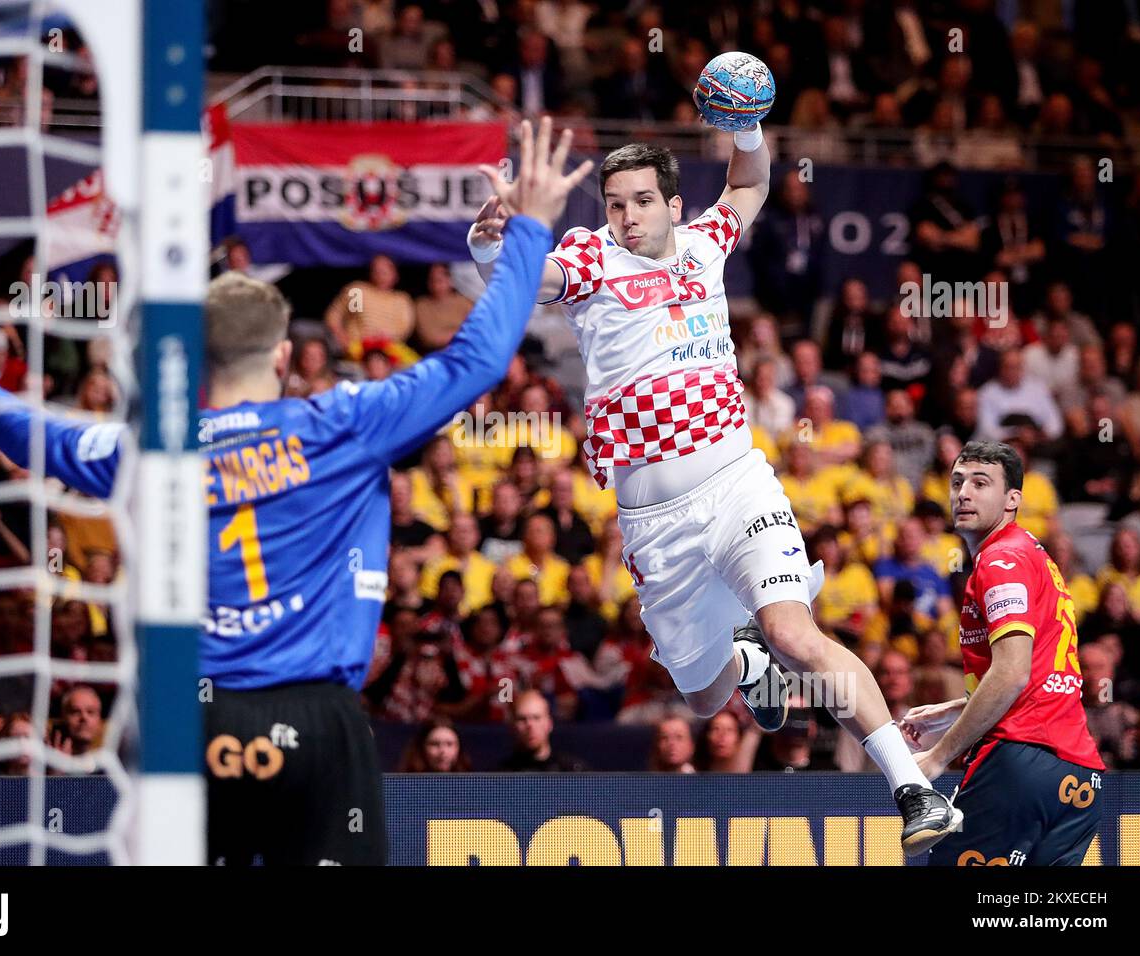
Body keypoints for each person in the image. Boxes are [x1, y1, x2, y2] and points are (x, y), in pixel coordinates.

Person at [0, 117, 591, 865]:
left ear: (199, 363)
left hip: (190, 720)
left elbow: (28, 433)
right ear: (280, 353)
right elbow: (478, 359)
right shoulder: (345, 419)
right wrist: (529, 228)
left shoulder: (152, 449)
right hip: (317, 723)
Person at [468, 113, 959, 855]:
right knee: (702, 696)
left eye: (640, 201)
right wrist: (490, 238)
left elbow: (753, 178)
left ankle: (913, 788)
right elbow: (523, 280)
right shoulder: (591, 260)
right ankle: (749, 660)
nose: (626, 216)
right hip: (653, 521)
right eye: (615, 203)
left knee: (795, 631)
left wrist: (749, 127)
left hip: (735, 484)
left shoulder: (704, 244)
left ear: (673, 205)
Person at [899, 441, 1105, 867]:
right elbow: (1035, 675)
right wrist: (955, 709)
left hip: (1020, 763)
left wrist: (937, 758)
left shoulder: (1001, 561)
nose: (964, 494)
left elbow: (1011, 673)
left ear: (1013, 499)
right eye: (957, 483)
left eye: (980, 483)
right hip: (1078, 777)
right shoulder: (1032, 554)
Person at [498, 690, 586, 772]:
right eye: (522, 719)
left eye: (536, 718)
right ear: (512, 726)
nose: (530, 725)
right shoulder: (499, 777)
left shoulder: (574, 772)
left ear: (549, 723)